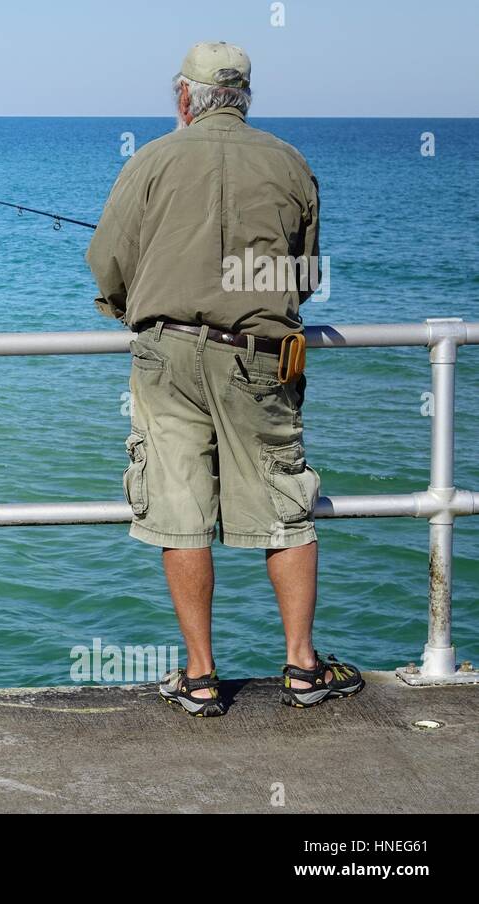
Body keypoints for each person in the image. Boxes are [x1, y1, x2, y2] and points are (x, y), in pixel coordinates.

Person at [86, 42, 362, 717]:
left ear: (185, 98)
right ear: (244, 98)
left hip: (169, 353)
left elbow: (107, 261)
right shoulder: (290, 162)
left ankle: (201, 677)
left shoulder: (150, 159)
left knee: (179, 510)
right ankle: (302, 668)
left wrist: (134, 309)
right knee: (283, 506)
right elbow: (306, 277)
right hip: (262, 355)